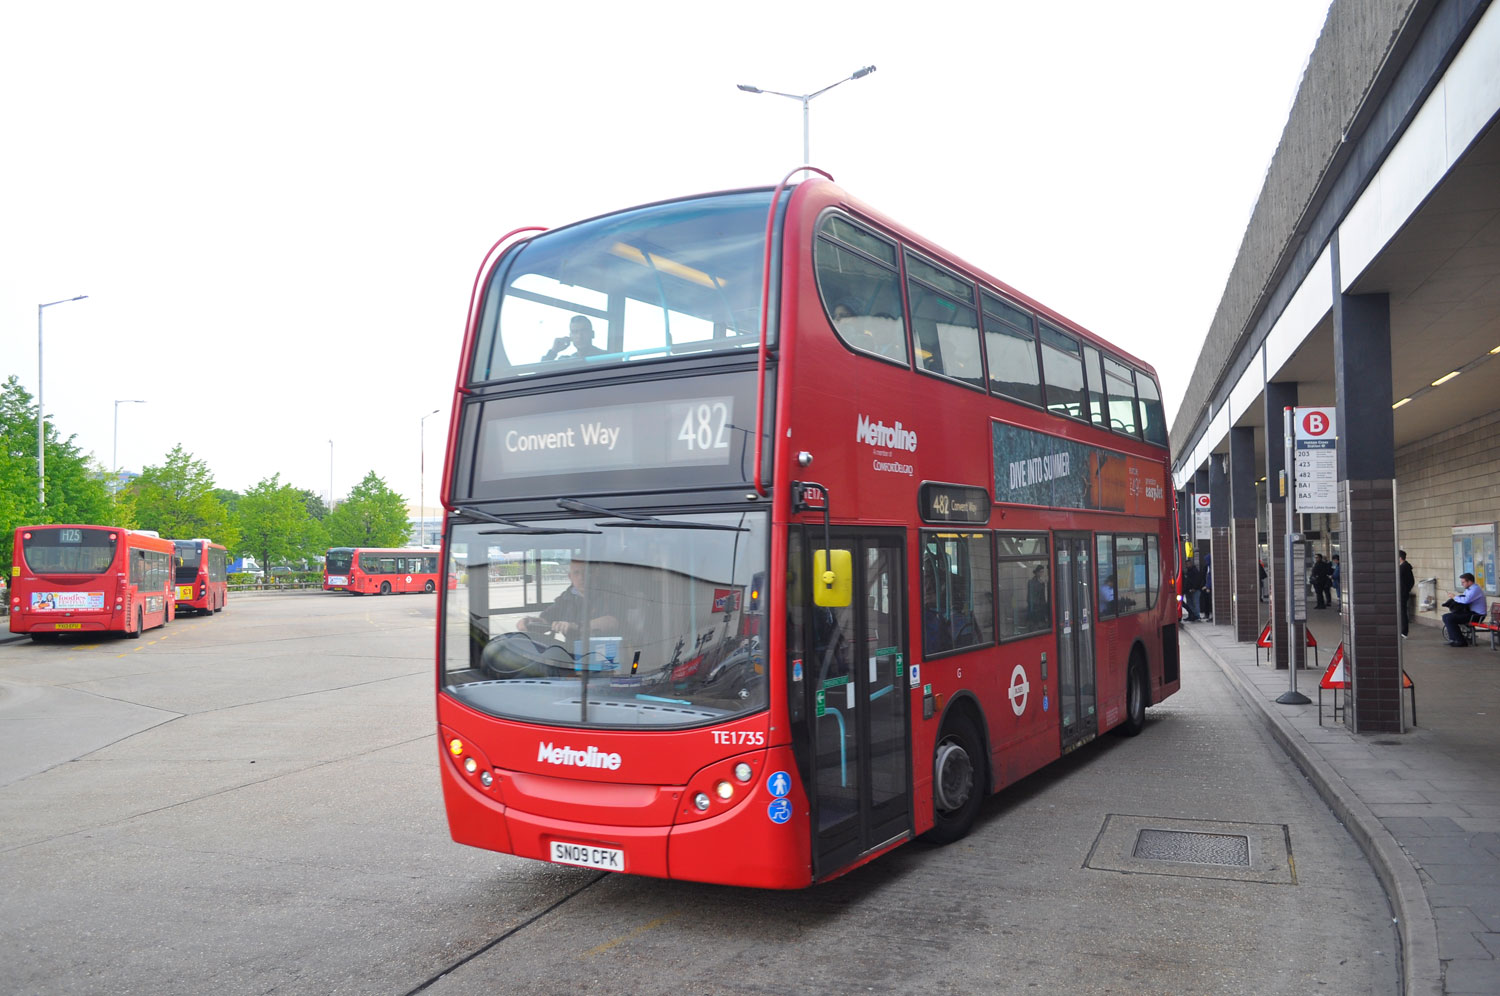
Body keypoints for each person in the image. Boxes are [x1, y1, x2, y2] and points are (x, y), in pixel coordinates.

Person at [516, 558, 618, 641]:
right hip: (571, 656)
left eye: (586, 572)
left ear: (595, 573)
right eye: (576, 573)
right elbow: (547, 619)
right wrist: (530, 622)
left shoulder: (611, 593)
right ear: (570, 577)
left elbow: (613, 621)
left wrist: (576, 627)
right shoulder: (566, 598)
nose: (581, 577)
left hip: (605, 655)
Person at [1441, 572, 1487, 647]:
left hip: (1477, 615)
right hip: (1470, 613)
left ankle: (1460, 641)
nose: (1462, 584)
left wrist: (1454, 597)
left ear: (1469, 581)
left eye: (1463, 582)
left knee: (1450, 618)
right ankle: (1453, 639)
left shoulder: (1475, 589)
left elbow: (1466, 600)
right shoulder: (1468, 589)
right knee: (1445, 616)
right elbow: (1463, 599)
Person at [1398, 551, 1414, 638]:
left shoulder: (1402, 568)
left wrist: (1404, 590)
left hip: (1402, 593)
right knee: (1402, 611)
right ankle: (1403, 631)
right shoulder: (1406, 567)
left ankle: (1403, 631)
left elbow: (1402, 582)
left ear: (1400, 558)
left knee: (1402, 612)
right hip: (1404, 593)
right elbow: (1412, 581)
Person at [1181, 558, 1203, 622]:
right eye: (1186, 564)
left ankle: (1196, 616)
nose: (1187, 565)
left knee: (1195, 602)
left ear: (1191, 564)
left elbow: (1197, 580)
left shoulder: (1194, 571)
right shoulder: (1188, 571)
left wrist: (1194, 588)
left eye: (1188, 564)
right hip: (1188, 590)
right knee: (1190, 603)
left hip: (1195, 590)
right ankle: (1192, 615)